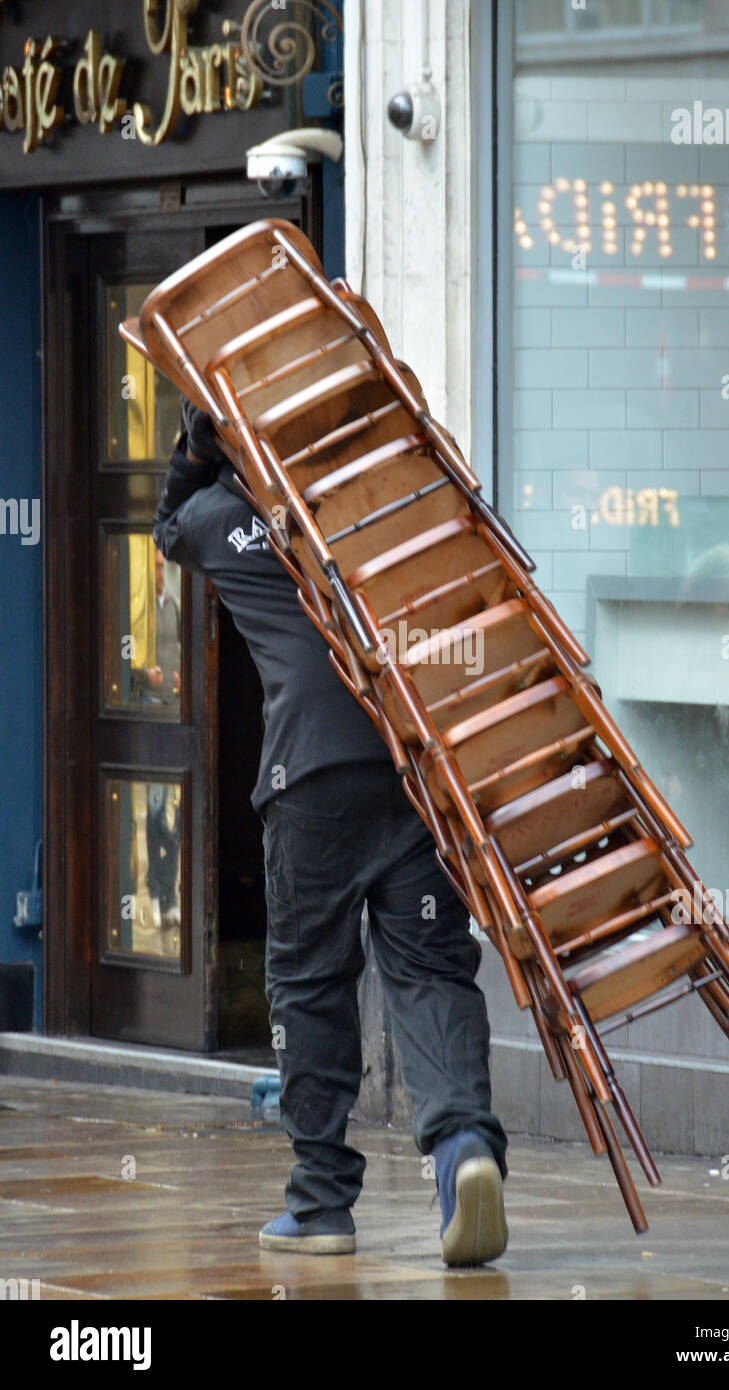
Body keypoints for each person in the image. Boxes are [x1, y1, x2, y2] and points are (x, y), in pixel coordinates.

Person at [152, 397, 508, 1266]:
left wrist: (199, 450)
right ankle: (462, 1147)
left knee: (309, 981)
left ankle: (319, 1206)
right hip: (410, 764)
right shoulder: (393, 510)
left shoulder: (228, 520)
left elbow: (167, 524)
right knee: (429, 967)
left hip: (307, 776)